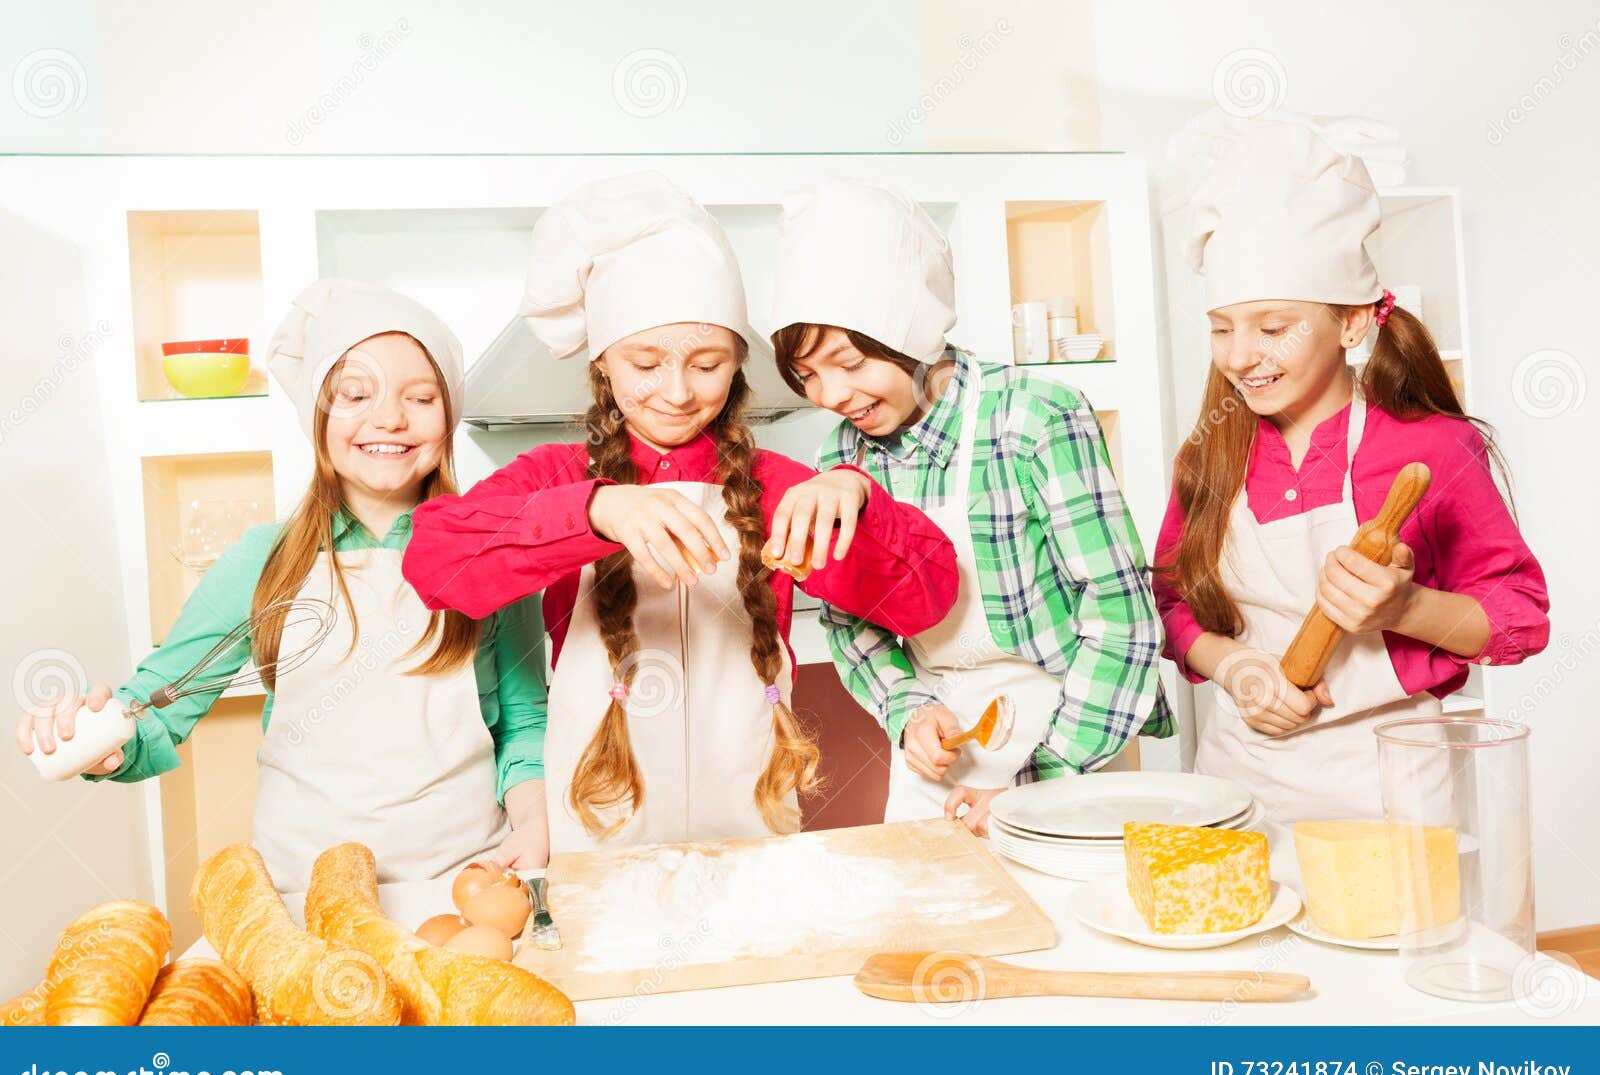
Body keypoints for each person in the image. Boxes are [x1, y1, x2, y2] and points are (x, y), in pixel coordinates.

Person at [403, 173, 958, 856]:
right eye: (645, 363)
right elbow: (434, 563)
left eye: (706, 364)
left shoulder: (782, 488)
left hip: (753, 828)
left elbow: (927, 599)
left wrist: (858, 500)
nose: (676, 392)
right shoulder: (556, 476)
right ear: (603, 364)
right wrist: (596, 510)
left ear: (738, 368)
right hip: (601, 830)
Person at [15, 280, 551, 890]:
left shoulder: (494, 553)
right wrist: (101, 740)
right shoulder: (263, 562)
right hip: (303, 892)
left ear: (448, 415)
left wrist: (535, 824)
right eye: (356, 395)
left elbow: (522, 725)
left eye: (421, 397)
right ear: (317, 415)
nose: (389, 418)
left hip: (462, 883)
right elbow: (158, 705)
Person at [1153, 120, 1549, 866]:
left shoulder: (1432, 449)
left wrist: (1405, 608)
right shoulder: (1209, 454)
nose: (1242, 356)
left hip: (1389, 793)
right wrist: (1234, 667)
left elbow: (1519, 622)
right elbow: (1173, 602)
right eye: (1222, 329)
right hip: (1240, 784)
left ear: (1353, 321)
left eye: (1274, 327)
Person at [769, 177, 1175, 834]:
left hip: (1070, 745)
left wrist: (1043, 780)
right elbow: (853, 625)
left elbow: (1121, 619)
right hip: (939, 757)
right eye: (808, 375)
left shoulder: (1034, 417)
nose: (830, 395)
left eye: (850, 363)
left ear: (909, 333)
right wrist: (908, 710)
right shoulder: (843, 458)